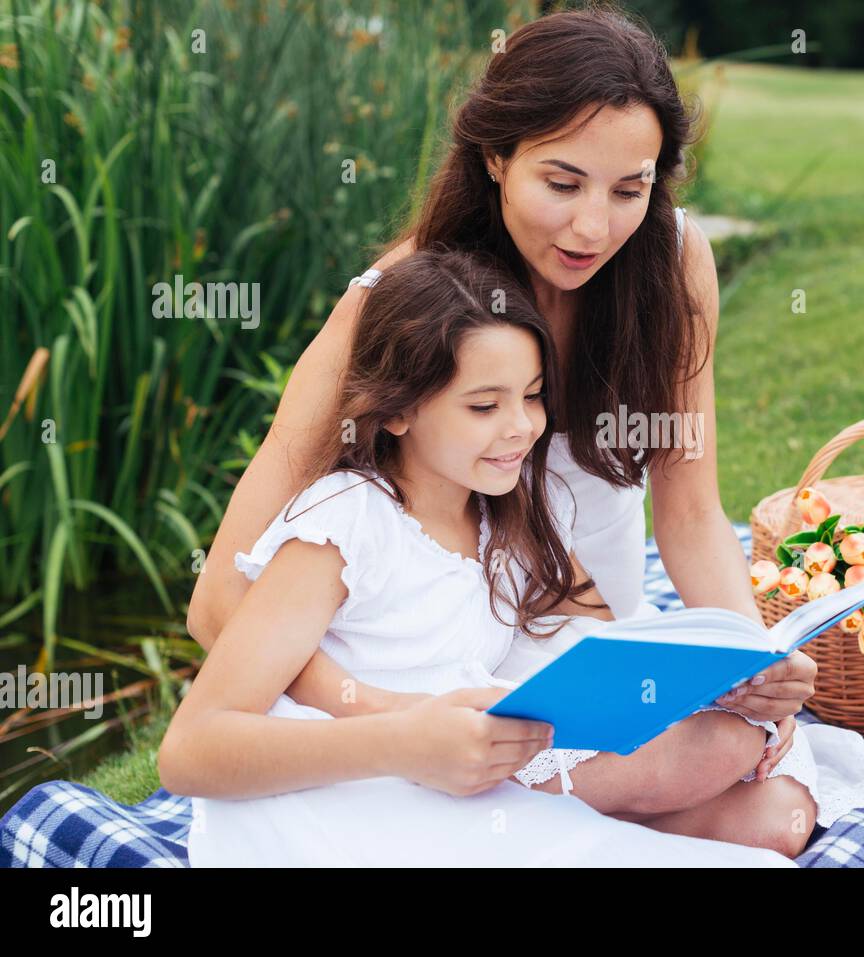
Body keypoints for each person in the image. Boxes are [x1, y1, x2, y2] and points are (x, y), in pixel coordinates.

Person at [186, 6, 829, 832]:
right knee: (723, 804)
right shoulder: (403, 307)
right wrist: (385, 719)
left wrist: (749, 663)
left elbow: (694, 511)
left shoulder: (671, 264)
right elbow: (217, 602)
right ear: (494, 156)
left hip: (586, 642)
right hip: (433, 674)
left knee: (776, 807)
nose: (593, 226)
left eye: (630, 189)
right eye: (561, 182)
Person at [162, 247, 800, 865]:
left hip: (465, 756)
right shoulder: (347, 523)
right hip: (345, 780)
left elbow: (596, 634)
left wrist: (728, 679)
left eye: (533, 394)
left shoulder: (505, 507)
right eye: (484, 405)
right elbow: (188, 751)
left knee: (767, 807)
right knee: (716, 767)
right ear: (399, 410)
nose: (522, 426)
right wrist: (398, 743)